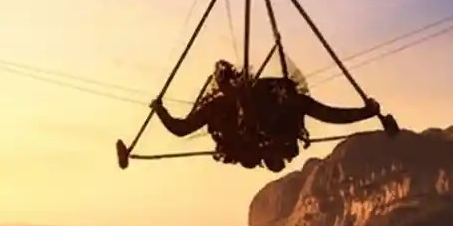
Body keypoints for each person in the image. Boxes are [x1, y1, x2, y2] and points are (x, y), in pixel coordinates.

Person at [151, 60, 399, 172]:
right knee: (259, 136)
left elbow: (330, 114)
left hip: (258, 138)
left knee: (266, 133)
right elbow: (180, 128)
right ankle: (263, 145)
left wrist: (368, 113)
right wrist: (161, 111)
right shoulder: (219, 107)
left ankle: (264, 145)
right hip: (247, 141)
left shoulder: (279, 100)